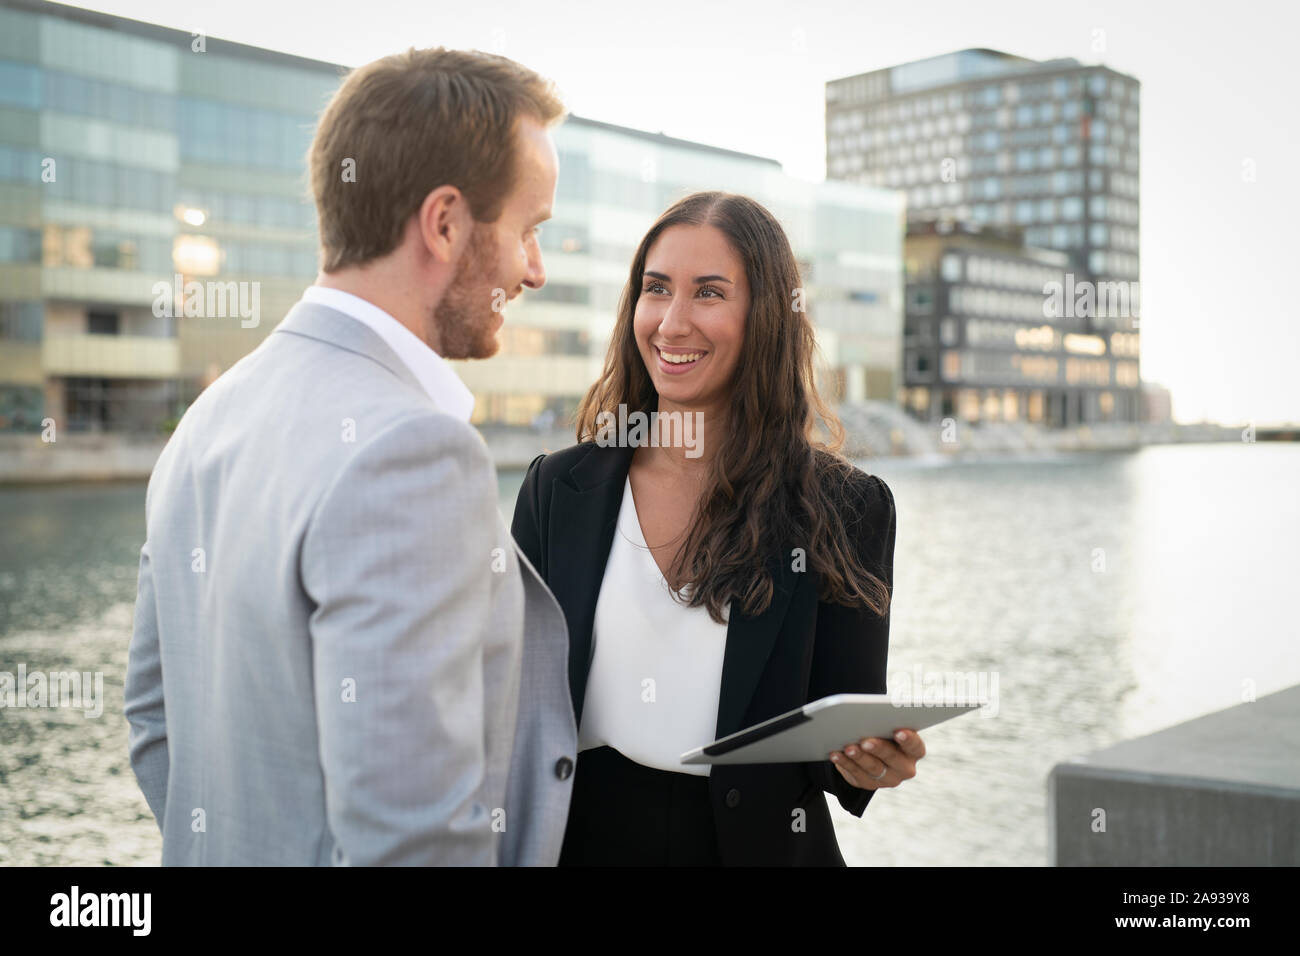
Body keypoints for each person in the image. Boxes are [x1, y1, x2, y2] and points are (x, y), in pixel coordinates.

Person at [124, 47, 577, 866]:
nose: (534, 270)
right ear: (445, 223)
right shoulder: (412, 450)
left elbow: (158, 730)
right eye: (528, 229)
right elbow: (415, 841)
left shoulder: (209, 418)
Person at [511, 191, 927, 866]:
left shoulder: (847, 508)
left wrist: (870, 761)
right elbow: (509, 705)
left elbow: (835, 743)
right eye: (656, 289)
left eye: (708, 293)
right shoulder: (556, 490)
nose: (672, 322)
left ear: (766, 317)